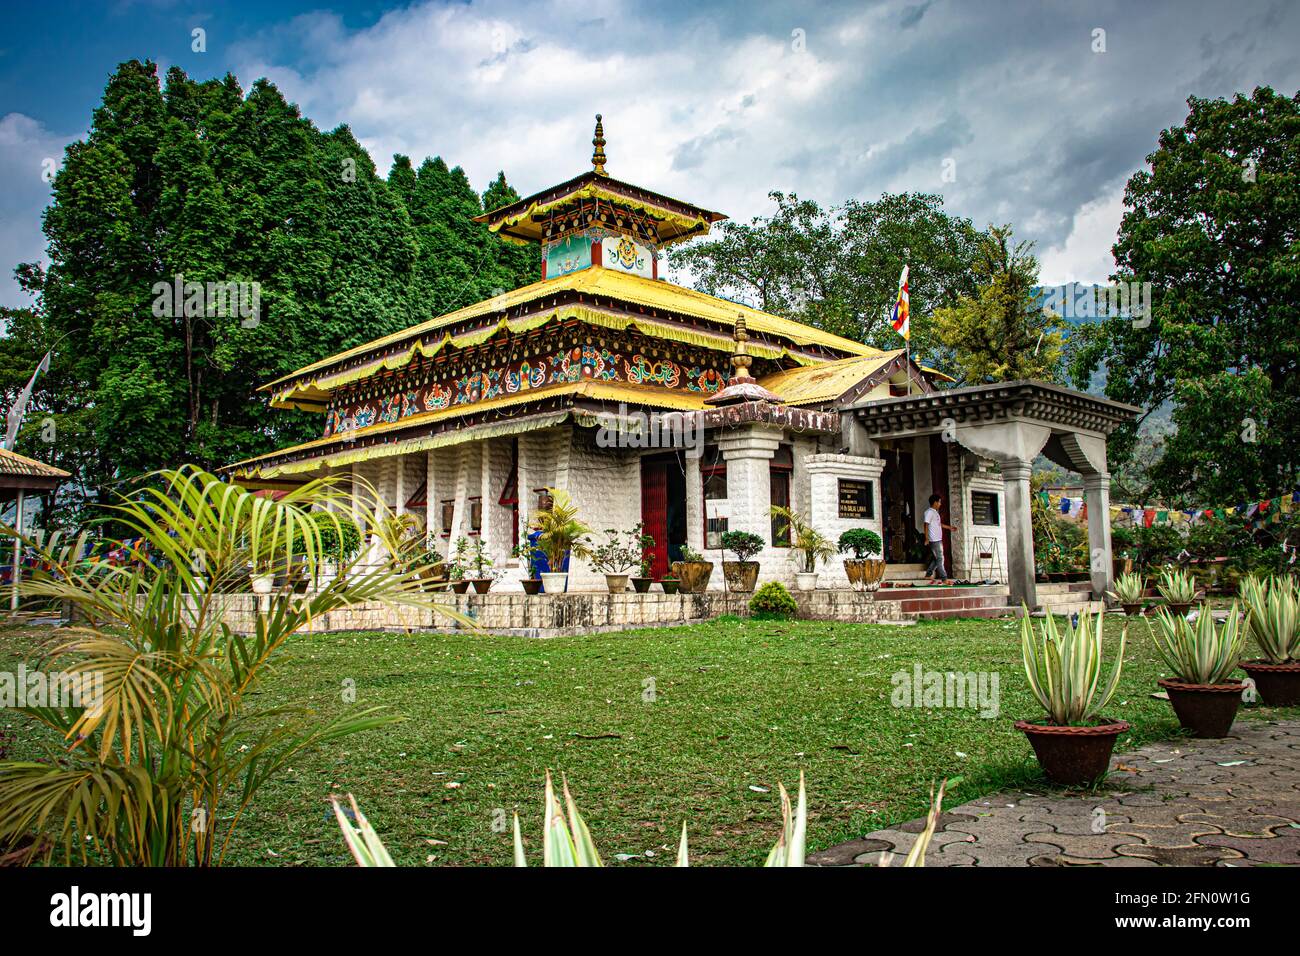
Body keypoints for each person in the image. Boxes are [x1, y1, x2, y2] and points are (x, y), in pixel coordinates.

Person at [922, 493, 957, 584]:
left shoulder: (935, 512)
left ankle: (928, 575)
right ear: (935, 502)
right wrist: (926, 538)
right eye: (939, 502)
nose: (940, 504)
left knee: (936, 559)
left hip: (938, 539)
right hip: (934, 540)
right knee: (940, 558)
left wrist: (949, 527)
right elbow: (926, 524)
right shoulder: (929, 512)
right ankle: (944, 578)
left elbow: (938, 524)